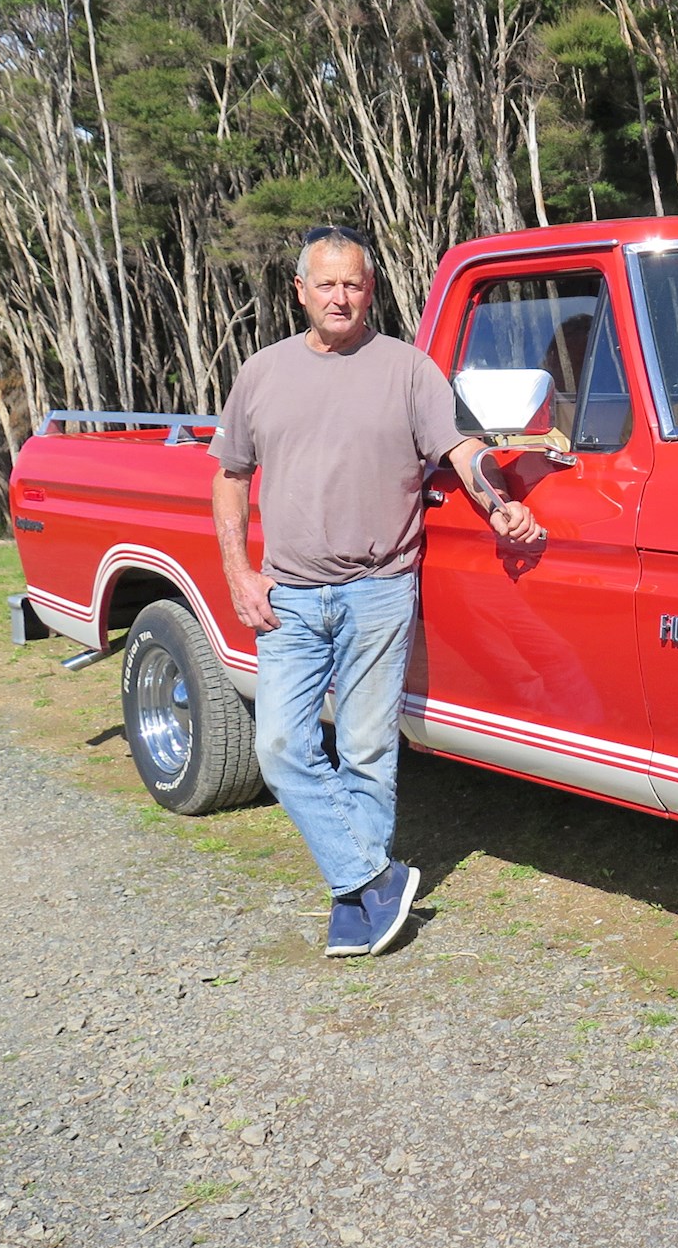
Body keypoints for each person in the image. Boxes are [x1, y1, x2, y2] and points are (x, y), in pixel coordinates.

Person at [209, 226, 542, 958]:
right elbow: (230, 476)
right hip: (289, 593)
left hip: (379, 589)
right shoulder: (261, 373)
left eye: (353, 283)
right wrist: (239, 572)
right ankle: (372, 876)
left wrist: (499, 502)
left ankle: (355, 903)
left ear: (370, 289)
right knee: (280, 746)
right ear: (299, 290)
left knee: (365, 749)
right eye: (325, 283)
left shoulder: (408, 370)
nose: (340, 296)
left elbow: (463, 452)